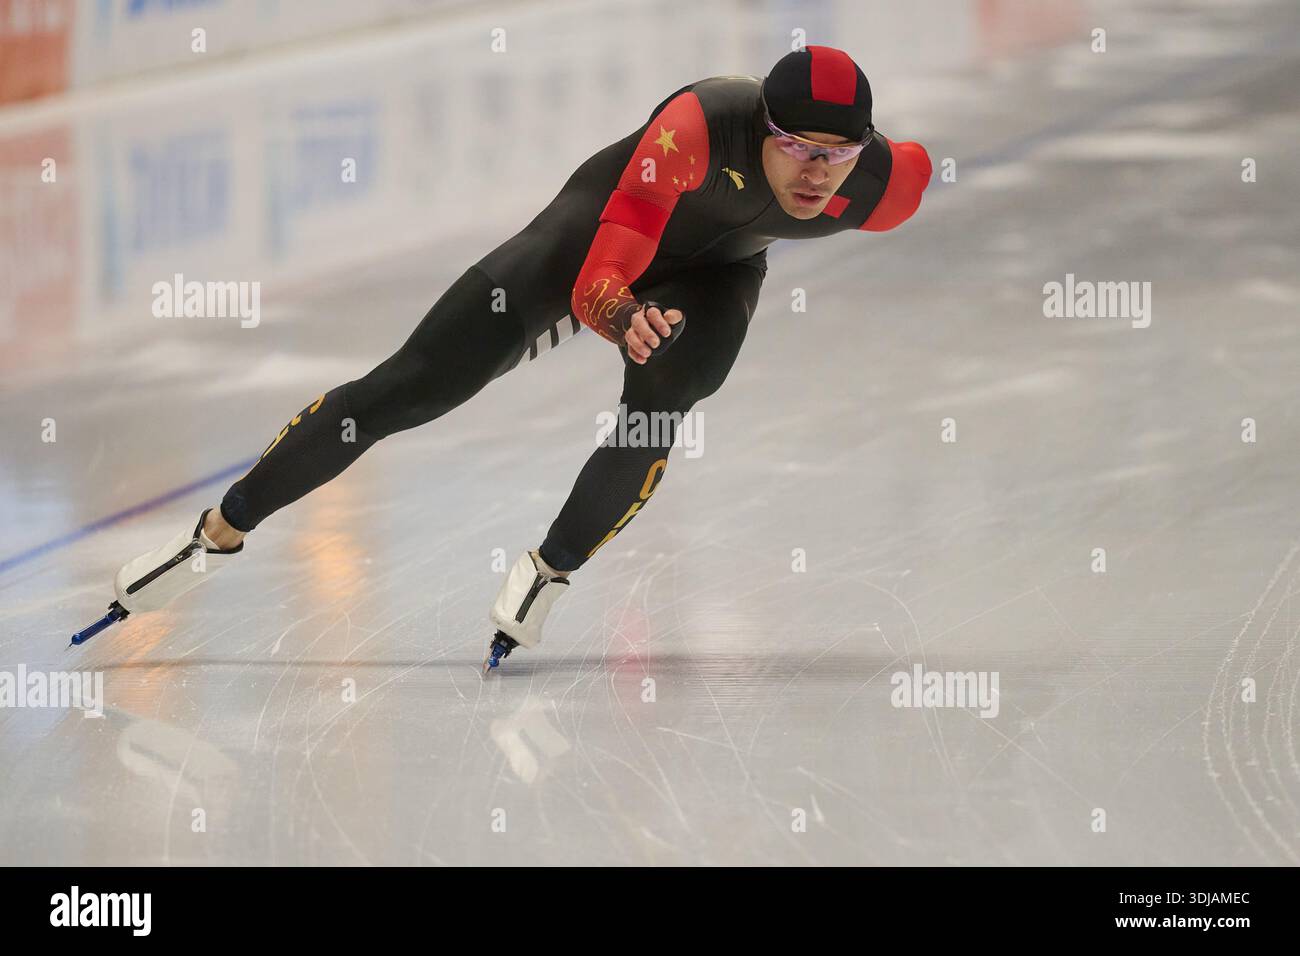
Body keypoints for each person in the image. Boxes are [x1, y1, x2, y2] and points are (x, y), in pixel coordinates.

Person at [86, 45, 932, 671]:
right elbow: (603, 272)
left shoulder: (883, 184)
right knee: (410, 387)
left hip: (717, 274)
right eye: (798, 147)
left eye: (839, 153)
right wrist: (619, 313)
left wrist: (656, 326)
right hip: (594, 241)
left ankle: (550, 571)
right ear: (762, 128)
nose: (819, 174)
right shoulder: (696, 130)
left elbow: (904, 170)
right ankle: (215, 534)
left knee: (665, 402)